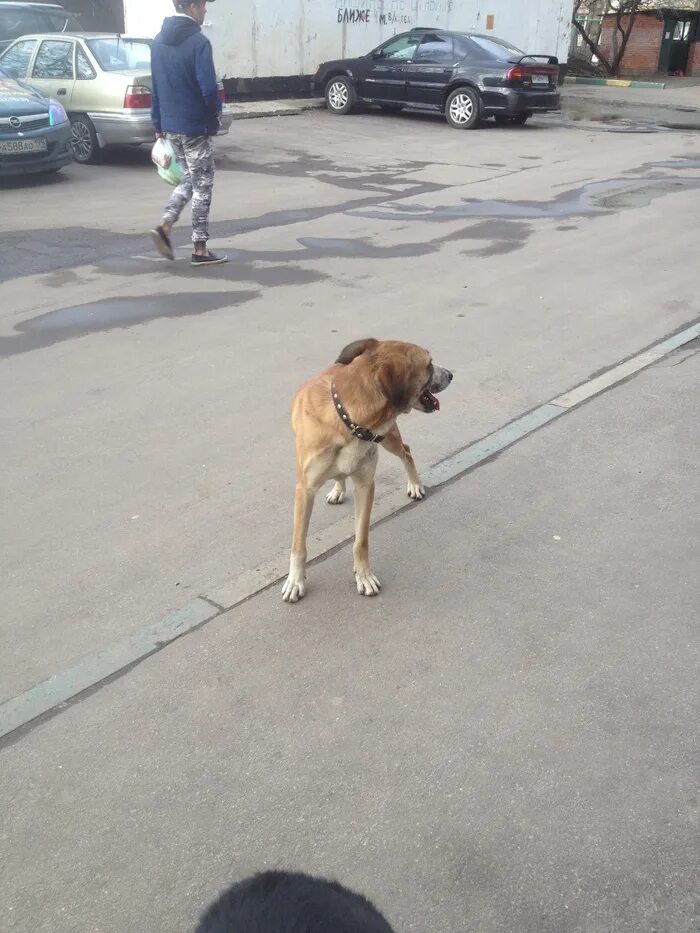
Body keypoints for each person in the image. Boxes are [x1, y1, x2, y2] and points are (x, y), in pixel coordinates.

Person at [149, 0, 227, 267]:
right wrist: (216, 114)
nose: (205, 11)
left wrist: (158, 123)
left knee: (190, 182)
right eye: (203, 6)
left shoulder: (158, 42)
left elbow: (156, 87)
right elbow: (208, 88)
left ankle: (165, 225)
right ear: (192, 7)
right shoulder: (199, 42)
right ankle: (200, 249)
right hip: (194, 126)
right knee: (203, 186)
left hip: (171, 126)